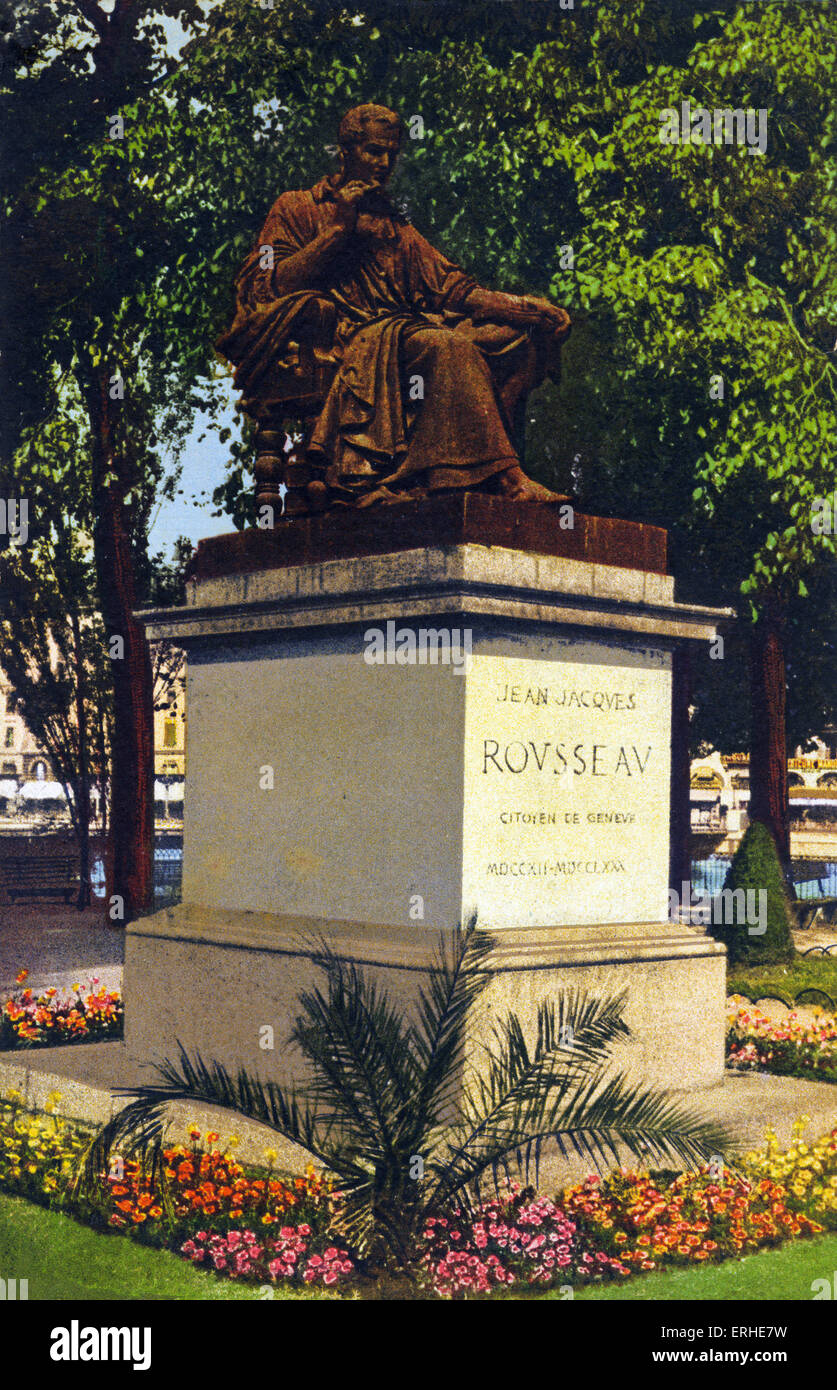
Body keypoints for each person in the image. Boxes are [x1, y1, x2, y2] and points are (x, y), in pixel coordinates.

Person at [218, 104, 572, 508]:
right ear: (344, 151)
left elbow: (450, 287)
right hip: (349, 337)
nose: (384, 163)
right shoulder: (298, 207)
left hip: (404, 332)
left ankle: (451, 479)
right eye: (373, 151)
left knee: (512, 341)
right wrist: (337, 231)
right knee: (448, 346)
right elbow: (272, 283)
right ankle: (506, 480)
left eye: (391, 153)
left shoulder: (393, 223)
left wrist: (525, 309)